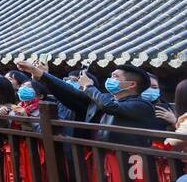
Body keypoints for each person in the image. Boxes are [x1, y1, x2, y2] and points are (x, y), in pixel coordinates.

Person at [18, 60, 162, 148]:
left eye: (116, 77)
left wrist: (89, 87)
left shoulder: (141, 105)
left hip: (125, 161)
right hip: (97, 156)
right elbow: (72, 94)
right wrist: (40, 74)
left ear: (131, 84)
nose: (111, 79)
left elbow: (110, 107)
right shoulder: (105, 98)